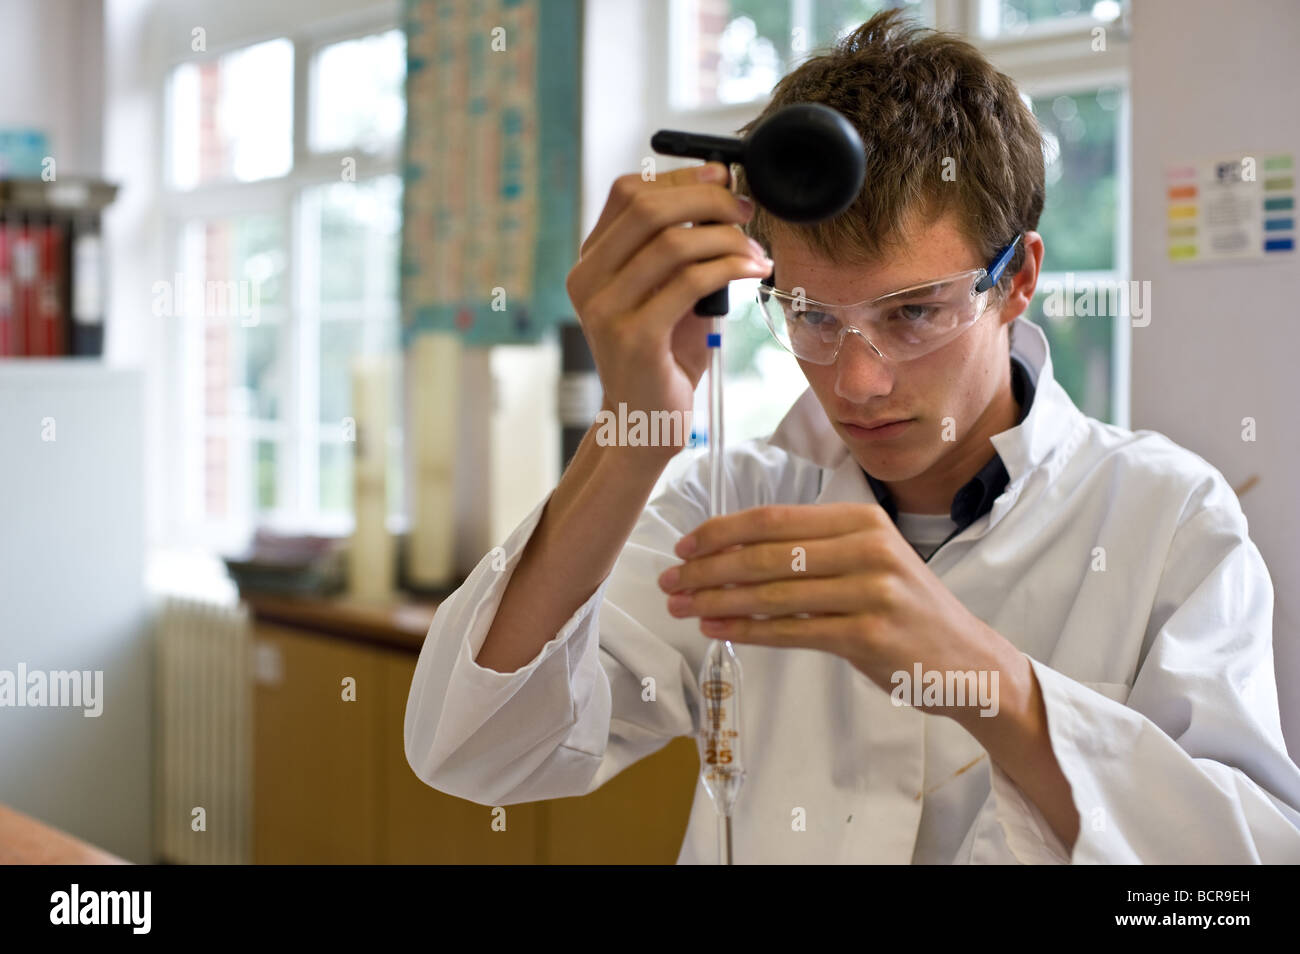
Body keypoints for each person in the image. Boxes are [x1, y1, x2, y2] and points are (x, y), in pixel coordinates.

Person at [403, 10, 1300, 863]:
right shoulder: (732, 508)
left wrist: (992, 685)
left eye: (914, 312)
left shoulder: (1163, 519)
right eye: (811, 315)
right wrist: (639, 424)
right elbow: (474, 749)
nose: (858, 381)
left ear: (1017, 278)